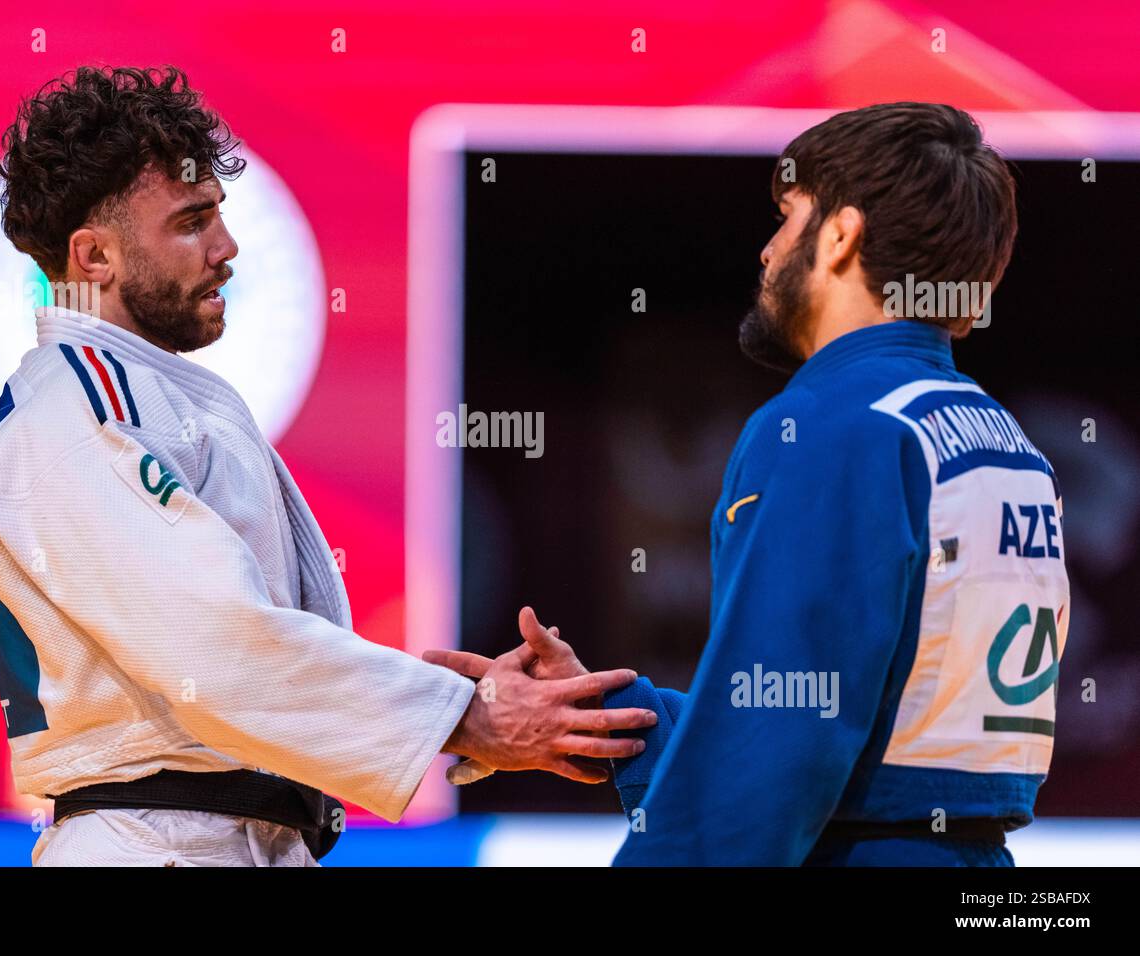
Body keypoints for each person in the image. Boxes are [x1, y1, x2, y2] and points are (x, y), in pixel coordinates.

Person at [0, 65, 657, 867]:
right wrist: (464, 718)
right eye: (191, 223)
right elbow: (217, 645)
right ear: (96, 257)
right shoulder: (80, 410)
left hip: (214, 835)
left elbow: (248, 643)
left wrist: (460, 709)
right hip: (154, 842)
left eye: (219, 217)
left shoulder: (148, 394)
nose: (226, 250)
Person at [427, 103, 1070, 866]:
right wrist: (619, 716)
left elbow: (774, 765)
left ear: (840, 235)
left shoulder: (833, 424)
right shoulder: (1007, 442)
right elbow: (863, 730)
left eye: (787, 217)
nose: (767, 252)